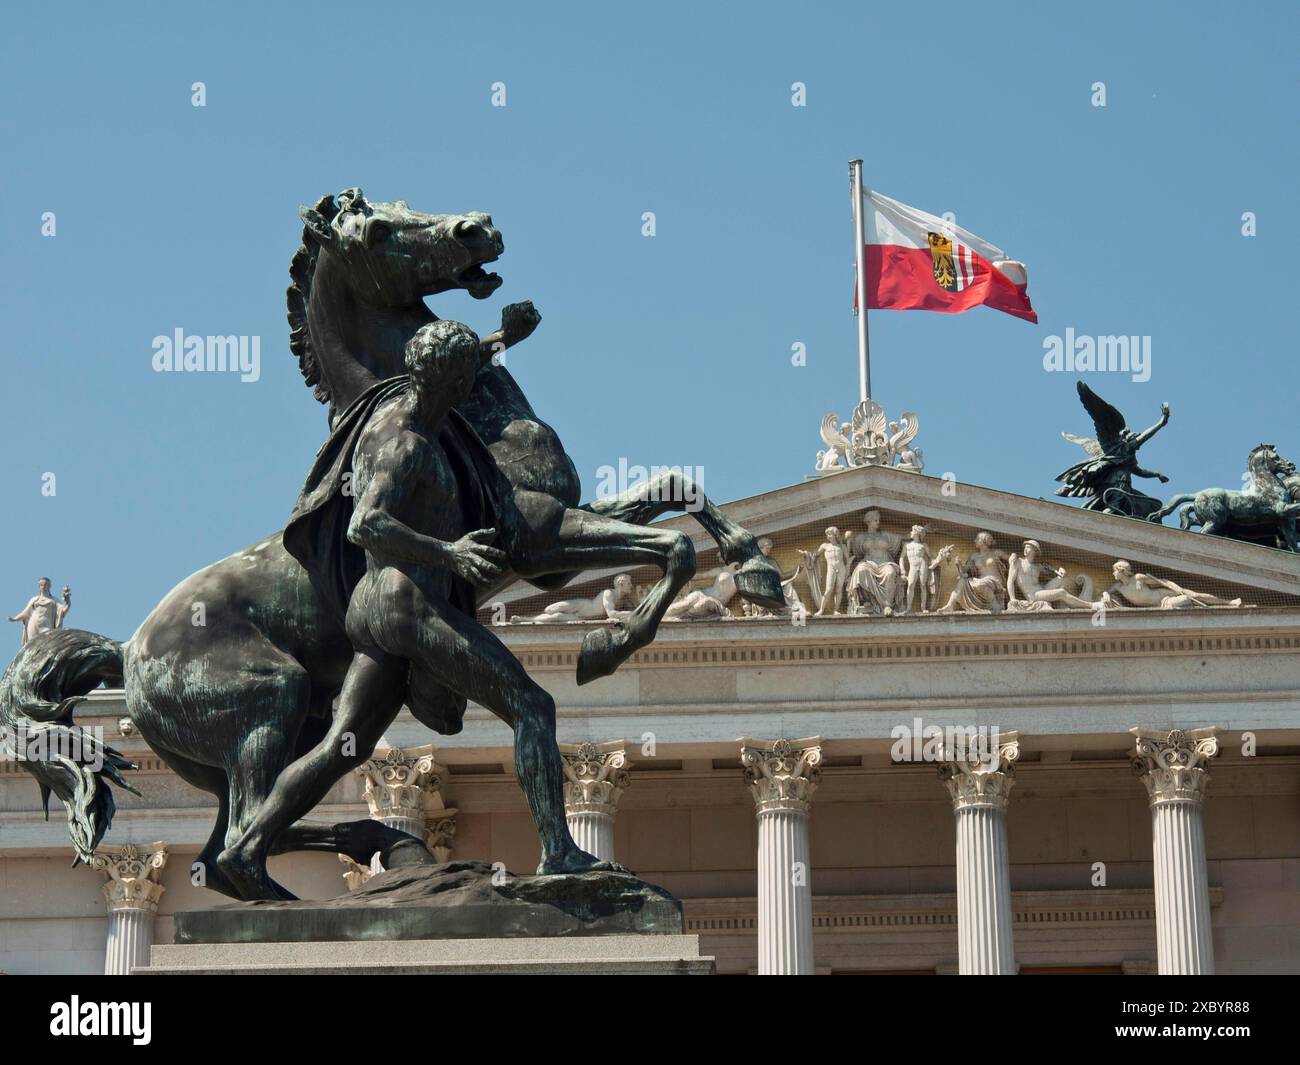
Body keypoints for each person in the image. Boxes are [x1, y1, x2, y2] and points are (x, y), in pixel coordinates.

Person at [8, 578, 71, 644]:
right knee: (32, 645)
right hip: (33, 623)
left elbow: (63, 611)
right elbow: (25, 612)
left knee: (47, 643)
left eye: (45, 584)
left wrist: (67, 600)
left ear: (49, 586)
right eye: (41, 585)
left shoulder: (54, 600)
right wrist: (15, 618)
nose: (43, 586)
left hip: (46, 624)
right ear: (39, 587)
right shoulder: (34, 599)